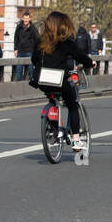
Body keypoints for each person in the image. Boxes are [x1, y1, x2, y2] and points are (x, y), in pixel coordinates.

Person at [30, 10, 93, 150]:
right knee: (72, 105)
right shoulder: (66, 42)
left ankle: (53, 127)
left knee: (52, 98)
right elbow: (80, 56)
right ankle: (76, 140)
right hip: (60, 81)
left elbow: (34, 59)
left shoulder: (40, 41)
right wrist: (90, 63)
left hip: (42, 81)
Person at [12, 10, 38, 82]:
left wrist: (35, 50)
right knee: (19, 70)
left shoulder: (33, 28)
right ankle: (18, 83)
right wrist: (15, 49)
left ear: (29, 19)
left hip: (29, 51)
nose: (26, 20)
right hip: (20, 51)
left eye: (27, 18)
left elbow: (37, 39)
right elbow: (16, 38)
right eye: (24, 18)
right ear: (22, 19)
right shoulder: (19, 27)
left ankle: (31, 82)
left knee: (30, 69)